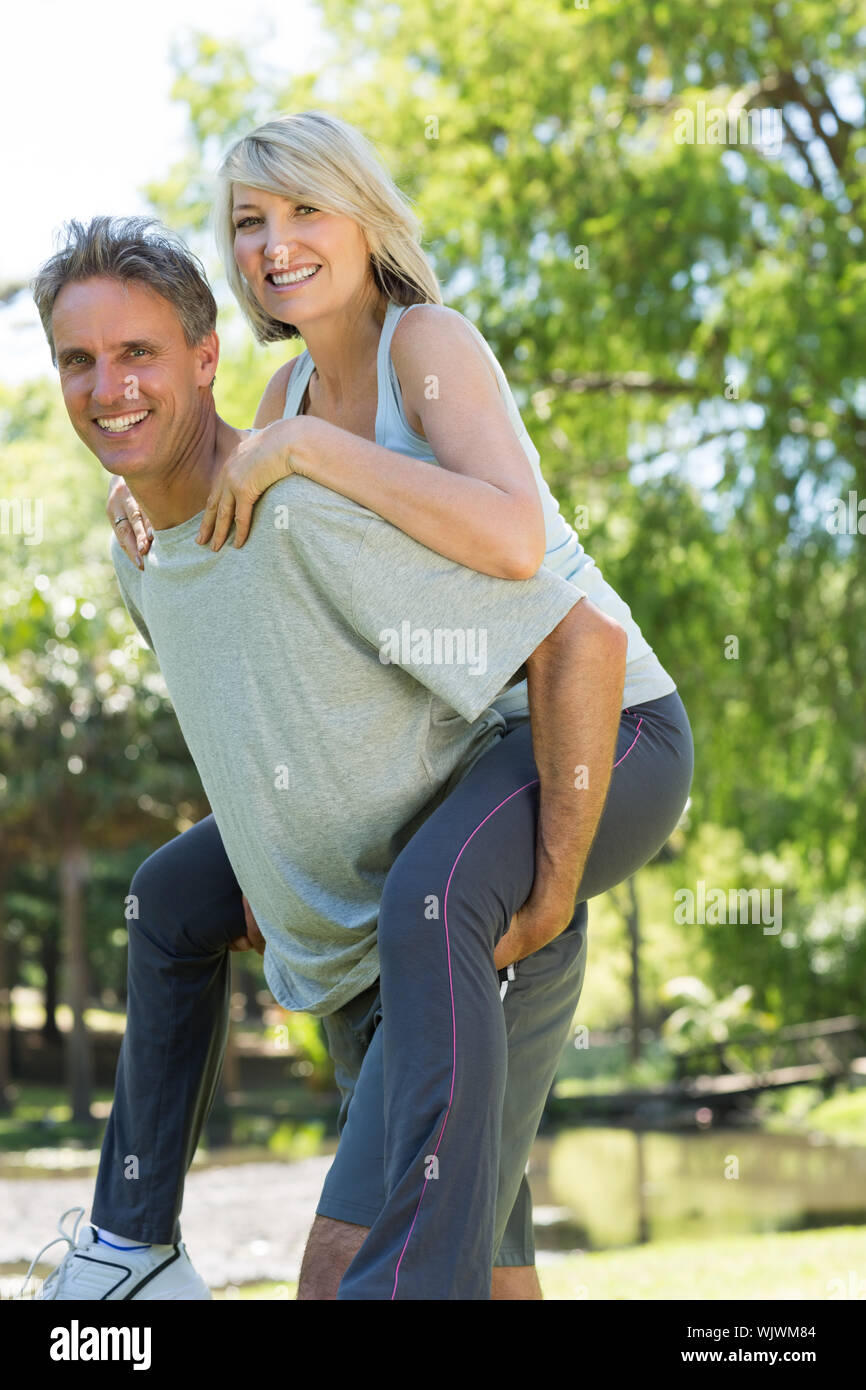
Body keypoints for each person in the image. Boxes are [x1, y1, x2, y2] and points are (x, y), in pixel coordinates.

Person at [22, 151, 691, 1302]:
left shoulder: (414, 356)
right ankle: (130, 1245)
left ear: (201, 356)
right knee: (177, 894)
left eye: (137, 354)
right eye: (249, 219)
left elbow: (543, 585)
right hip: (422, 818)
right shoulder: (265, 427)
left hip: (581, 731)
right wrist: (159, 488)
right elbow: (270, 685)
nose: (274, 240)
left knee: (352, 1274)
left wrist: (545, 888)